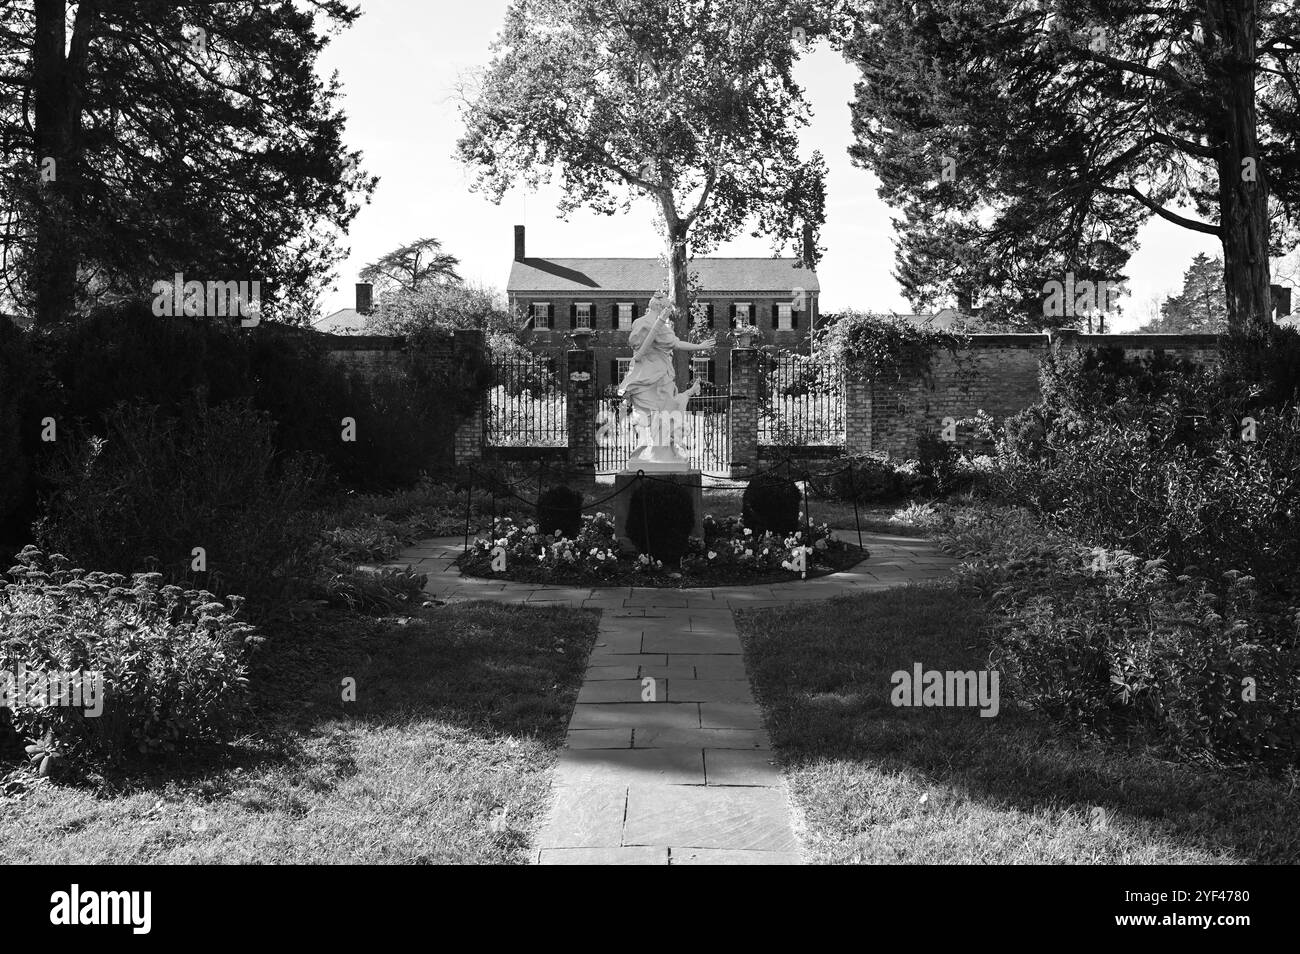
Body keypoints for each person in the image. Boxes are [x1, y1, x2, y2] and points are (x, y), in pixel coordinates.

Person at [618, 294, 716, 461]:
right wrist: (699, 346)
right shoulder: (660, 326)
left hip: (642, 374)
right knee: (665, 409)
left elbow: (637, 345)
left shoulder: (638, 322)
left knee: (656, 412)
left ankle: (660, 449)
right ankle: (660, 451)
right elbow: (677, 344)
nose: (670, 312)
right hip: (658, 373)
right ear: (661, 308)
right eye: (668, 308)